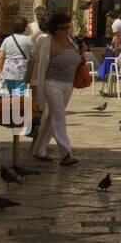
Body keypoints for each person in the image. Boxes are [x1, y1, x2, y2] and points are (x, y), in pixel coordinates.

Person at [29, 10, 82, 165]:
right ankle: (66, 153)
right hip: (52, 83)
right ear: (55, 29)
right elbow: (39, 66)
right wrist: (36, 88)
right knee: (59, 116)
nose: (66, 30)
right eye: (63, 28)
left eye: (68, 27)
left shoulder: (71, 41)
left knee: (53, 117)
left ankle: (39, 149)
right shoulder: (46, 41)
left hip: (67, 83)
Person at [0, 17, 33, 95]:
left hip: (8, 69)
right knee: (20, 92)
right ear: (25, 28)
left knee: (10, 92)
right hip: (22, 69)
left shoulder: (7, 39)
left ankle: (12, 106)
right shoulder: (28, 40)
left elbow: (1, 57)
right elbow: (33, 56)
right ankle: (17, 106)